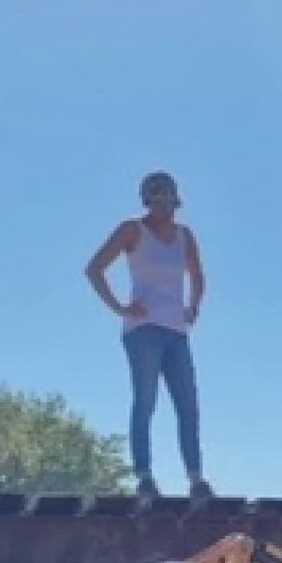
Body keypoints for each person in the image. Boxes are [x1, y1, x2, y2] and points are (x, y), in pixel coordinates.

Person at [85, 171, 213, 500]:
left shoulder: (185, 235)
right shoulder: (133, 230)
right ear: (148, 200)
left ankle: (196, 478)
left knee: (188, 403)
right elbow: (95, 268)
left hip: (176, 329)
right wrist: (119, 307)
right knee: (146, 399)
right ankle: (144, 476)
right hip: (143, 329)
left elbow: (198, 274)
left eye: (168, 199)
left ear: (175, 201)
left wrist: (193, 306)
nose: (164, 206)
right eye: (157, 199)